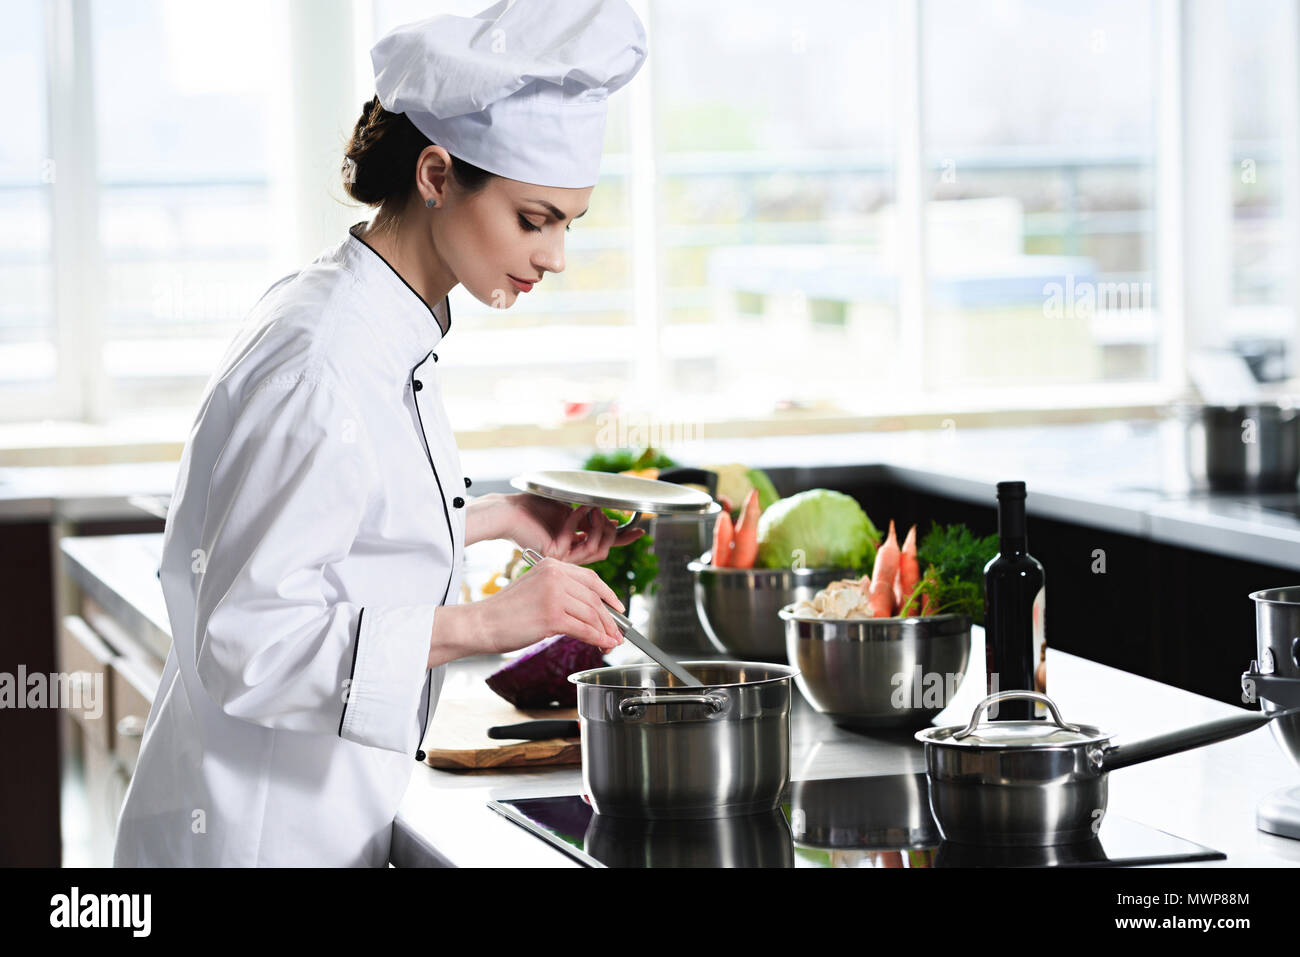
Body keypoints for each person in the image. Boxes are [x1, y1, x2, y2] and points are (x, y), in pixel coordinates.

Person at [113, 0, 648, 867]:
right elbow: (252, 639)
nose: (553, 256)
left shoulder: (379, 320)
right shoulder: (322, 361)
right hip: (256, 840)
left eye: (566, 226)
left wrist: (498, 515)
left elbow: (337, 521)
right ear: (437, 176)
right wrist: (488, 620)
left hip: (314, 822)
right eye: (533, 218)